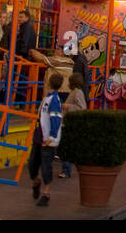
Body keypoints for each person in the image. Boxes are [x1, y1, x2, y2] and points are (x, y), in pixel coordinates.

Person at [29, 72, 64, 207]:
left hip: (47, 138)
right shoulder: (47, 98)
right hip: (40, 135)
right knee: (33, 163)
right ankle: (35, 182)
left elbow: (56, 118)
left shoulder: (54, 100)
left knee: (46, 166)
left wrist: (51, 136)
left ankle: (46, 193)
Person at [58, 72, 88, 178]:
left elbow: (82, 107)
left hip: (71, 123)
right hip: (69, 122)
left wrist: (68, 106)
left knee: (67, 147)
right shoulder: (75, 92)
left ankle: (66, 170)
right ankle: (66, 169)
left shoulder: (77, 92)